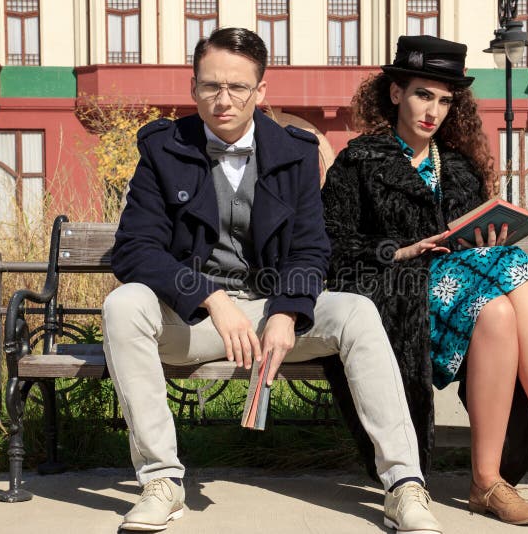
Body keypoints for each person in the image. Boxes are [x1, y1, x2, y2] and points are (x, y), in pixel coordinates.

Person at [102, 27, 442, 533]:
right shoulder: (162, 148)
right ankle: (161, 482)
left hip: (271, 314)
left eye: (237, 87)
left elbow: (311, 248)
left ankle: (404, 485)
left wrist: (287, 310)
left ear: (260, 91)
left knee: (357, 312)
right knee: (124, 304)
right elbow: (134, 249)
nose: (223, 100)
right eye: (210, 86)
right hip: (194, 319)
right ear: (193, 87)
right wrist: (210, 297)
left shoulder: (295, 151)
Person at [321, 35, 528, 526]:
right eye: (423, 95)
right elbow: (332, 246)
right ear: (396, 93)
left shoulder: (460, 168)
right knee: (509, 265)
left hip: (460, 295)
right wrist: (401, 249)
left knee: (496, 309)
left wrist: (483, 242)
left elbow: (467, 244)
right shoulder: (358, 161)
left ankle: (486, 483)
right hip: (393, 296)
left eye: (445, 100)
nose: (433, 111)